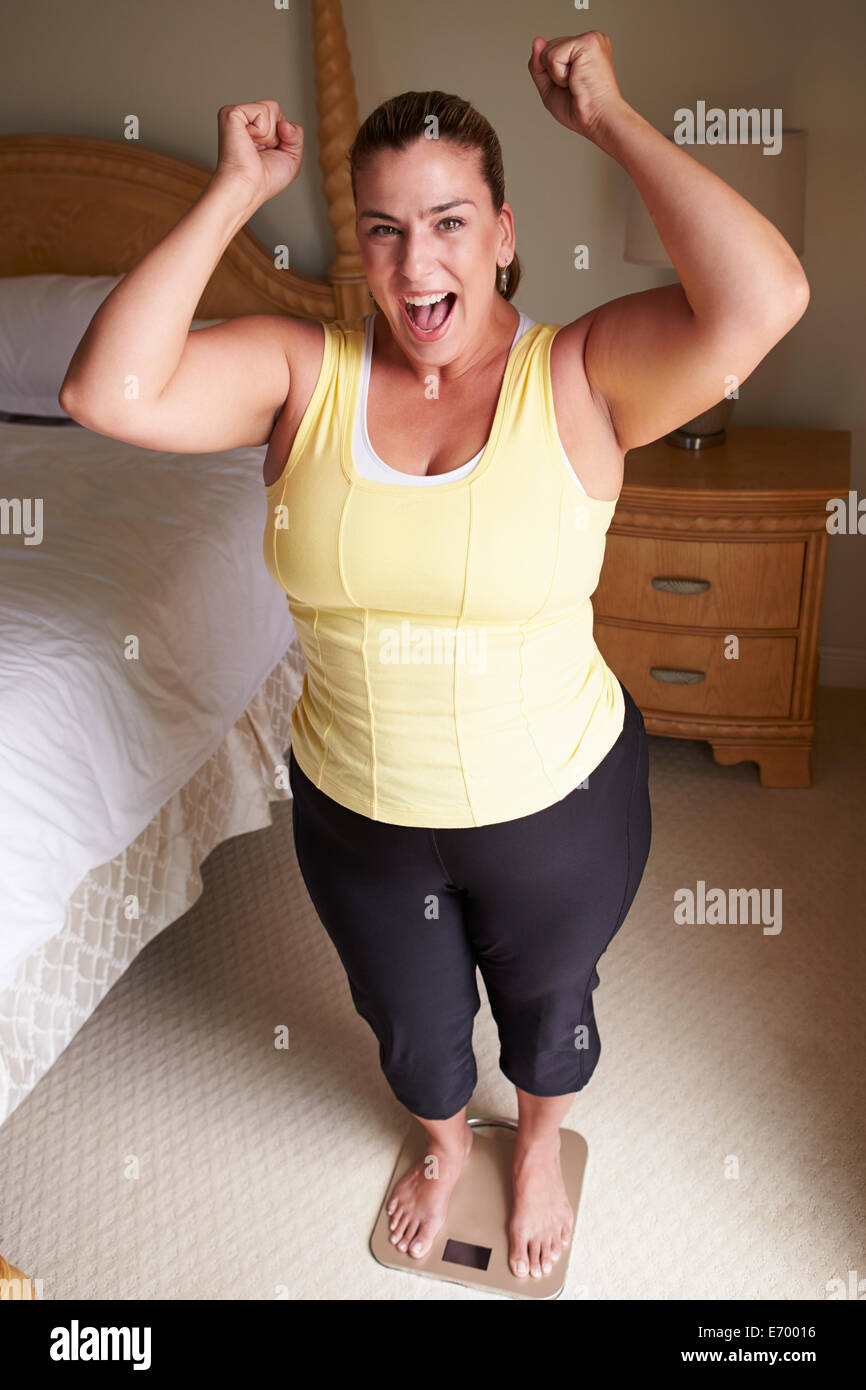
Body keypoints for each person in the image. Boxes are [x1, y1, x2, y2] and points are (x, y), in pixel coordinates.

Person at [59, 31, 810, 1284]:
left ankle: (535, 1151)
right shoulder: (303, 371)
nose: (415, 264)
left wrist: (612, 120)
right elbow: (106, 392)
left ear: (504, 234)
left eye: (449, 222)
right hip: (358, 809)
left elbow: (763, 301)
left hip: (555, 801)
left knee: (551, 1009)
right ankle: (445, 1143)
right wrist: (232, 192)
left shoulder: (577, 372)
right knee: (408, 1023)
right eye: (382, 230)